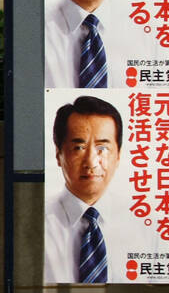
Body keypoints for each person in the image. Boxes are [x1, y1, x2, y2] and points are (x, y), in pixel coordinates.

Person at [44, 96, 123, 283]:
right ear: (58, 154)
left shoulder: (145, 224)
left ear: (118, 155)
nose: (91, 162)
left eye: (102, 148)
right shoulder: (37, 223)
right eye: (79, 147)